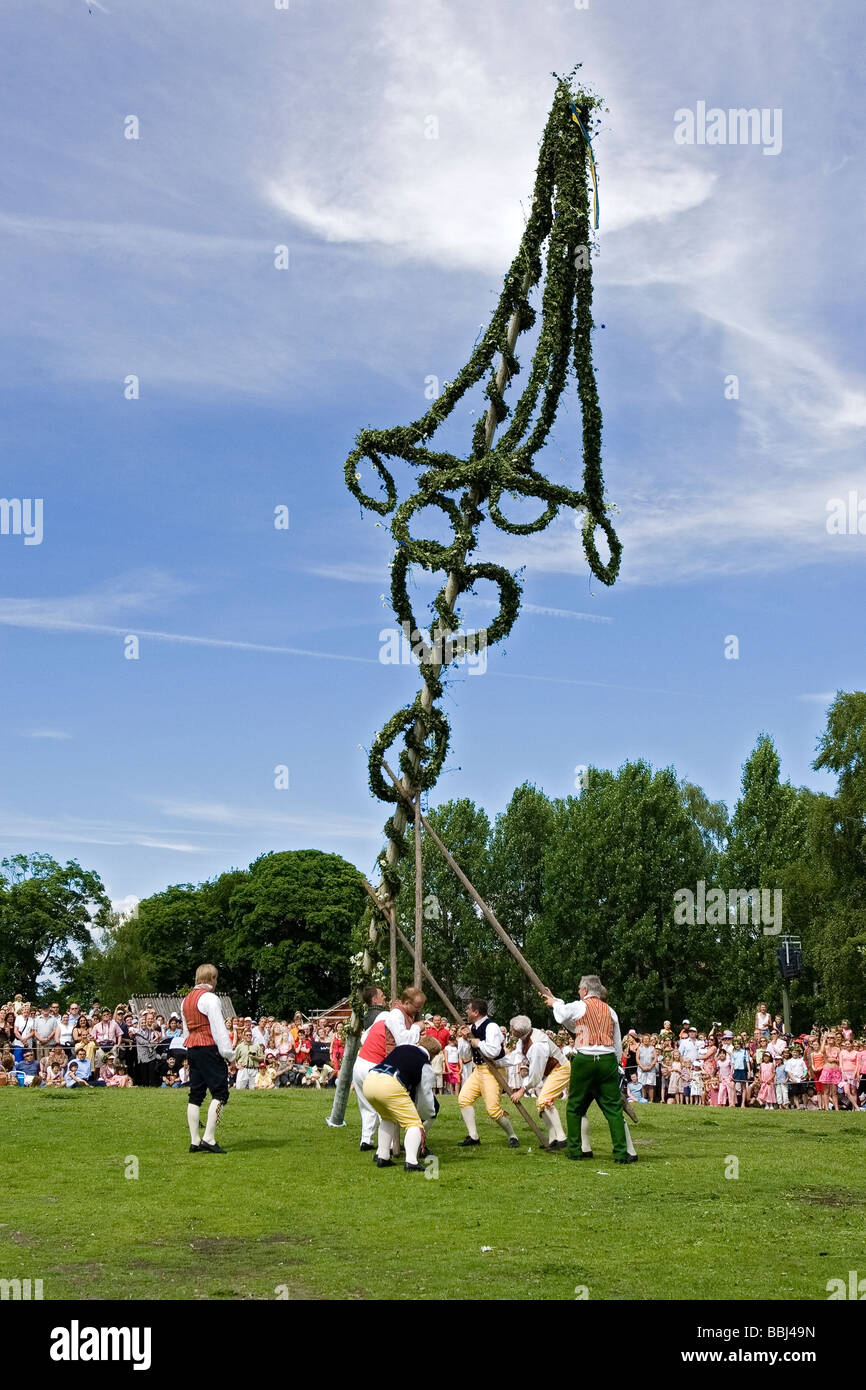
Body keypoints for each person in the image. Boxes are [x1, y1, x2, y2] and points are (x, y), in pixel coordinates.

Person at [540, 976, 634, 1164]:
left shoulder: (579, 1005)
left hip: (585, 1058)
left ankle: (575, 1150)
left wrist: (553, 1003)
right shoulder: (610, 1010)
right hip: (607, 1059)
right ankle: (621, 1153)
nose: (578, 991)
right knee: (614, 1109)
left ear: (584, 989)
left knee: (575, 1106)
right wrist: (615, 1065)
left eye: (579, 989)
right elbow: (616, 1040)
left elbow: (561, 1015)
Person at [352, 987, 423, 1153]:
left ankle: (366, 1140)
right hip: (374, 1065)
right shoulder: (389, 1017)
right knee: (383, 1107)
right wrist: (417, 1028)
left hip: (360, 1062)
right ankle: (389, 1146)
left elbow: (364, 1038)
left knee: (367, 1107)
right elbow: (403, 1041)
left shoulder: (380, 1018)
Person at [363, 1035, 440, 1171]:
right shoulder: (425, 1063)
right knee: (413, 1123)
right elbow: (425, 1095)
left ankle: (383, 1156)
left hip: (370, 1080)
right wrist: (429, 1113)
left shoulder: (402, 1047)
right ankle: (411, 1162)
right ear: (433, 1055)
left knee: (387, 1118)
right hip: (391, 1084)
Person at [181, 963, 235, 1154]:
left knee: (195, 1094)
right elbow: (219, 1030)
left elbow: (186, 1030)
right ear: (212, 979)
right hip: (208, 1048)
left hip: (192, 1048)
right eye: (216, 978)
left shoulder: (186, 1000)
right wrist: (229, 1054)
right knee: (220, 1093)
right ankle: (209, 1138)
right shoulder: (210, 998)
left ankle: (195, 1139)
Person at [457, 998, 519, 1149]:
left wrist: (478, 1043)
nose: (466, 1011)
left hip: (493, 1070)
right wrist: (465, 1039)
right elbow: (465, 1055)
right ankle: (473, 1137)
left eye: (468, 1009)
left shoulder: (491, 1027)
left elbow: (494, 1051)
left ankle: (512, 1135)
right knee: (463, 1099)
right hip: (478, 1070)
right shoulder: (471, 1028)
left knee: (493, 1110)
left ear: (476, 1012)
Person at [505, 1014, 569, 1149]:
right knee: (541, 1104)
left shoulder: (537, 1046)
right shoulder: (525, 1037)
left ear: (519, 1031)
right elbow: (516, 1057)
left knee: (544, 1100)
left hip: (560, 1069)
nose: (510, 1032)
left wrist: (522, 1091)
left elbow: (535, 1075)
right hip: (549, 1072)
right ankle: (552, 1139)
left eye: (512, 1030)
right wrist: (498, 1062)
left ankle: (562, 1138)